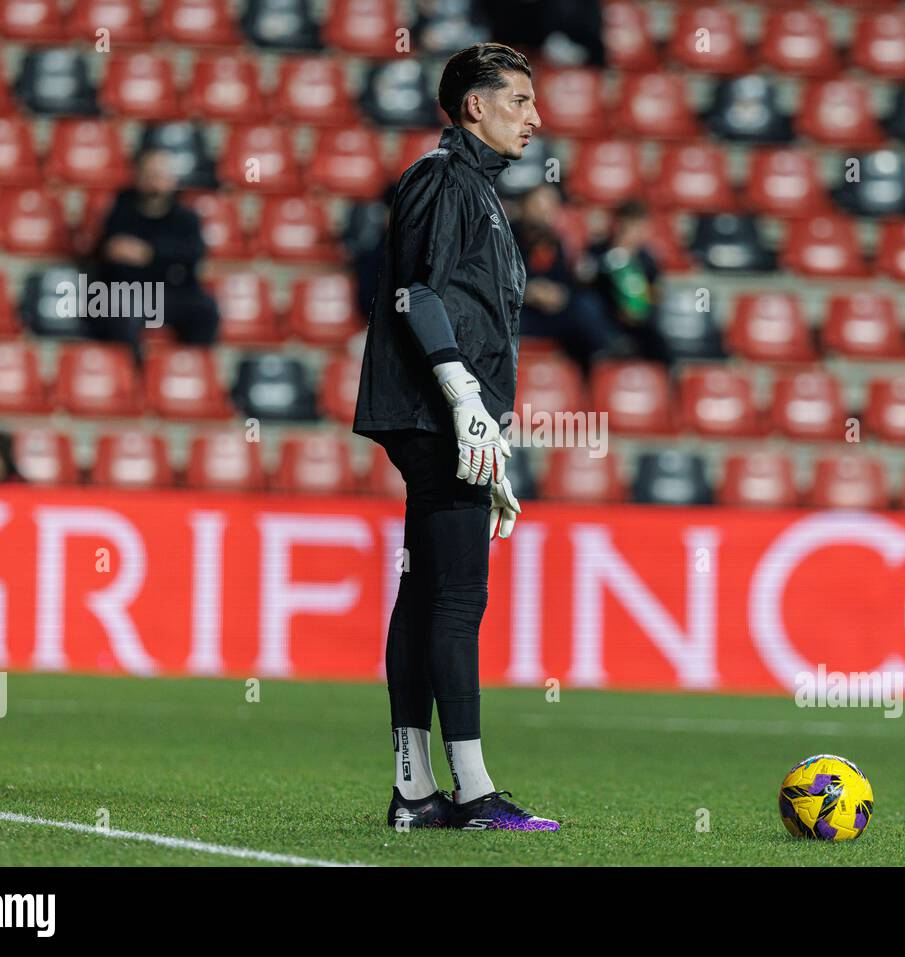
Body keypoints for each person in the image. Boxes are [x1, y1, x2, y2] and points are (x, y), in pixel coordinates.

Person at [352, 42, 558, 831]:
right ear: (474, 105)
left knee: (422, 592)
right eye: (519, 101)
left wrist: (482, 419)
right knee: (459, 596)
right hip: (442, 417)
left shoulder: (464, 188)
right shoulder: (446, 182)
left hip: (440, 416)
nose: (535, 118)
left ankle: (415, 788)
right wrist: (466, 396)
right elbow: (417, 293)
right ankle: (473, 793)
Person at [87, 148, 220, 365]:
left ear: (173, 180)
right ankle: (136, 380)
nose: (155, 183)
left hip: (173, 294)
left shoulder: (186, 218)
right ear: (138, 177)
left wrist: (149, 254)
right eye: (149, 175)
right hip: (129, 292)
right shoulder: (121, 210)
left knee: (205, 311)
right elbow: (112, 255)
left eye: (160, 176)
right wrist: (163, 259)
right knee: (118, 310)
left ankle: (191, 371)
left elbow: (192, 257)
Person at [515, 183, 635, 373]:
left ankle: (605, 360)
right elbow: (496, 279)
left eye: (550, 206)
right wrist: (527, 291)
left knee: (586, 305)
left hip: (553, 313)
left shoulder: (557, 242)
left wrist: (561, 294)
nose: (545, 212)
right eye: (538, 205)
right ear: (524, 206)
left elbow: (569, 279)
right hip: (520, 311)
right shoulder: (507, 237)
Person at [584, 199, 668, 364]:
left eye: (642, 228)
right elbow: (587, 282)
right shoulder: (598, 251)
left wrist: (641, 307)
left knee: (659, 342)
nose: (638, 233)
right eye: (634, 227)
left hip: (639, 321)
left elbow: (656, 291)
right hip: (606, 318)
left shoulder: (646, 259)